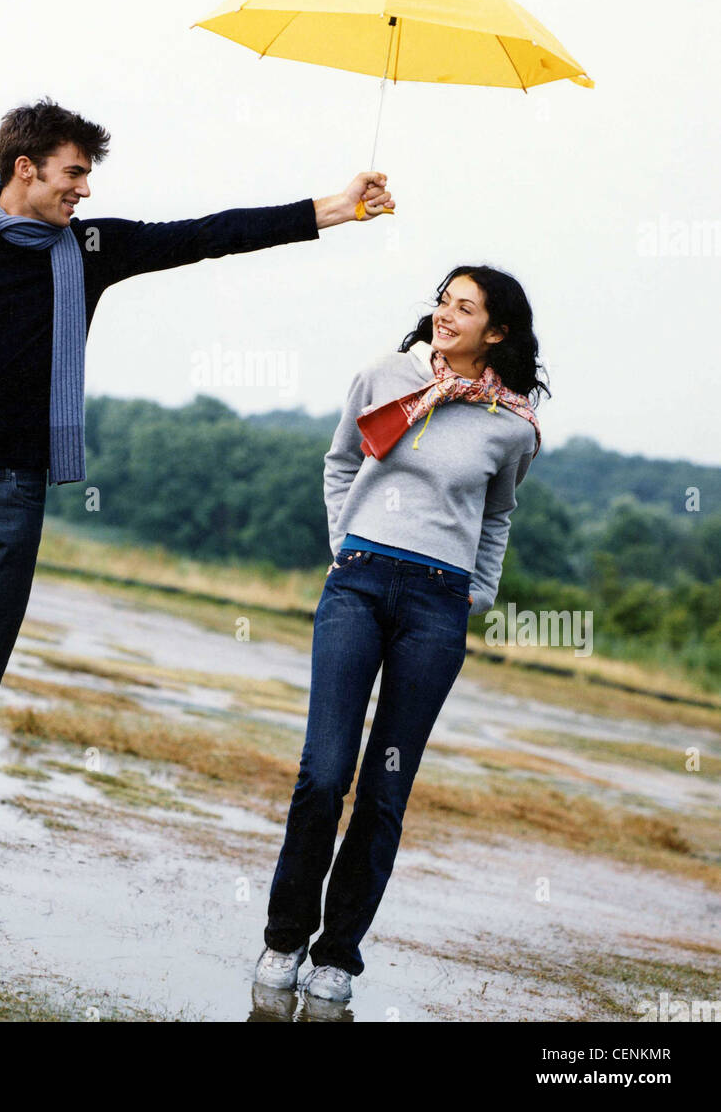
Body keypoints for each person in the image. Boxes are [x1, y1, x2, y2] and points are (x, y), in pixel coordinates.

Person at [0, 97, 394, 919]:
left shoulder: (89, 248)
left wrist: (336, 207)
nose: (83, 190)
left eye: (87, 177)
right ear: (25, 168)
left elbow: (205, 233)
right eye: (74, 173)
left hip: (12, 498)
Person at [255, 264, 547, 1001]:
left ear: (498, 330)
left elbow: (498, 516)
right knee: (324, 772)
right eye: (443, 302)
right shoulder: (384, 376)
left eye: (465, 308)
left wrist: (476, 594)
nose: (445, 316)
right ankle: (284, 938)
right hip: (357, 582)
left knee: (386, 787)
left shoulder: (511, 424)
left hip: (437, 605)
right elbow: (340, 462)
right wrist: (343, 546)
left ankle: (336, 957)